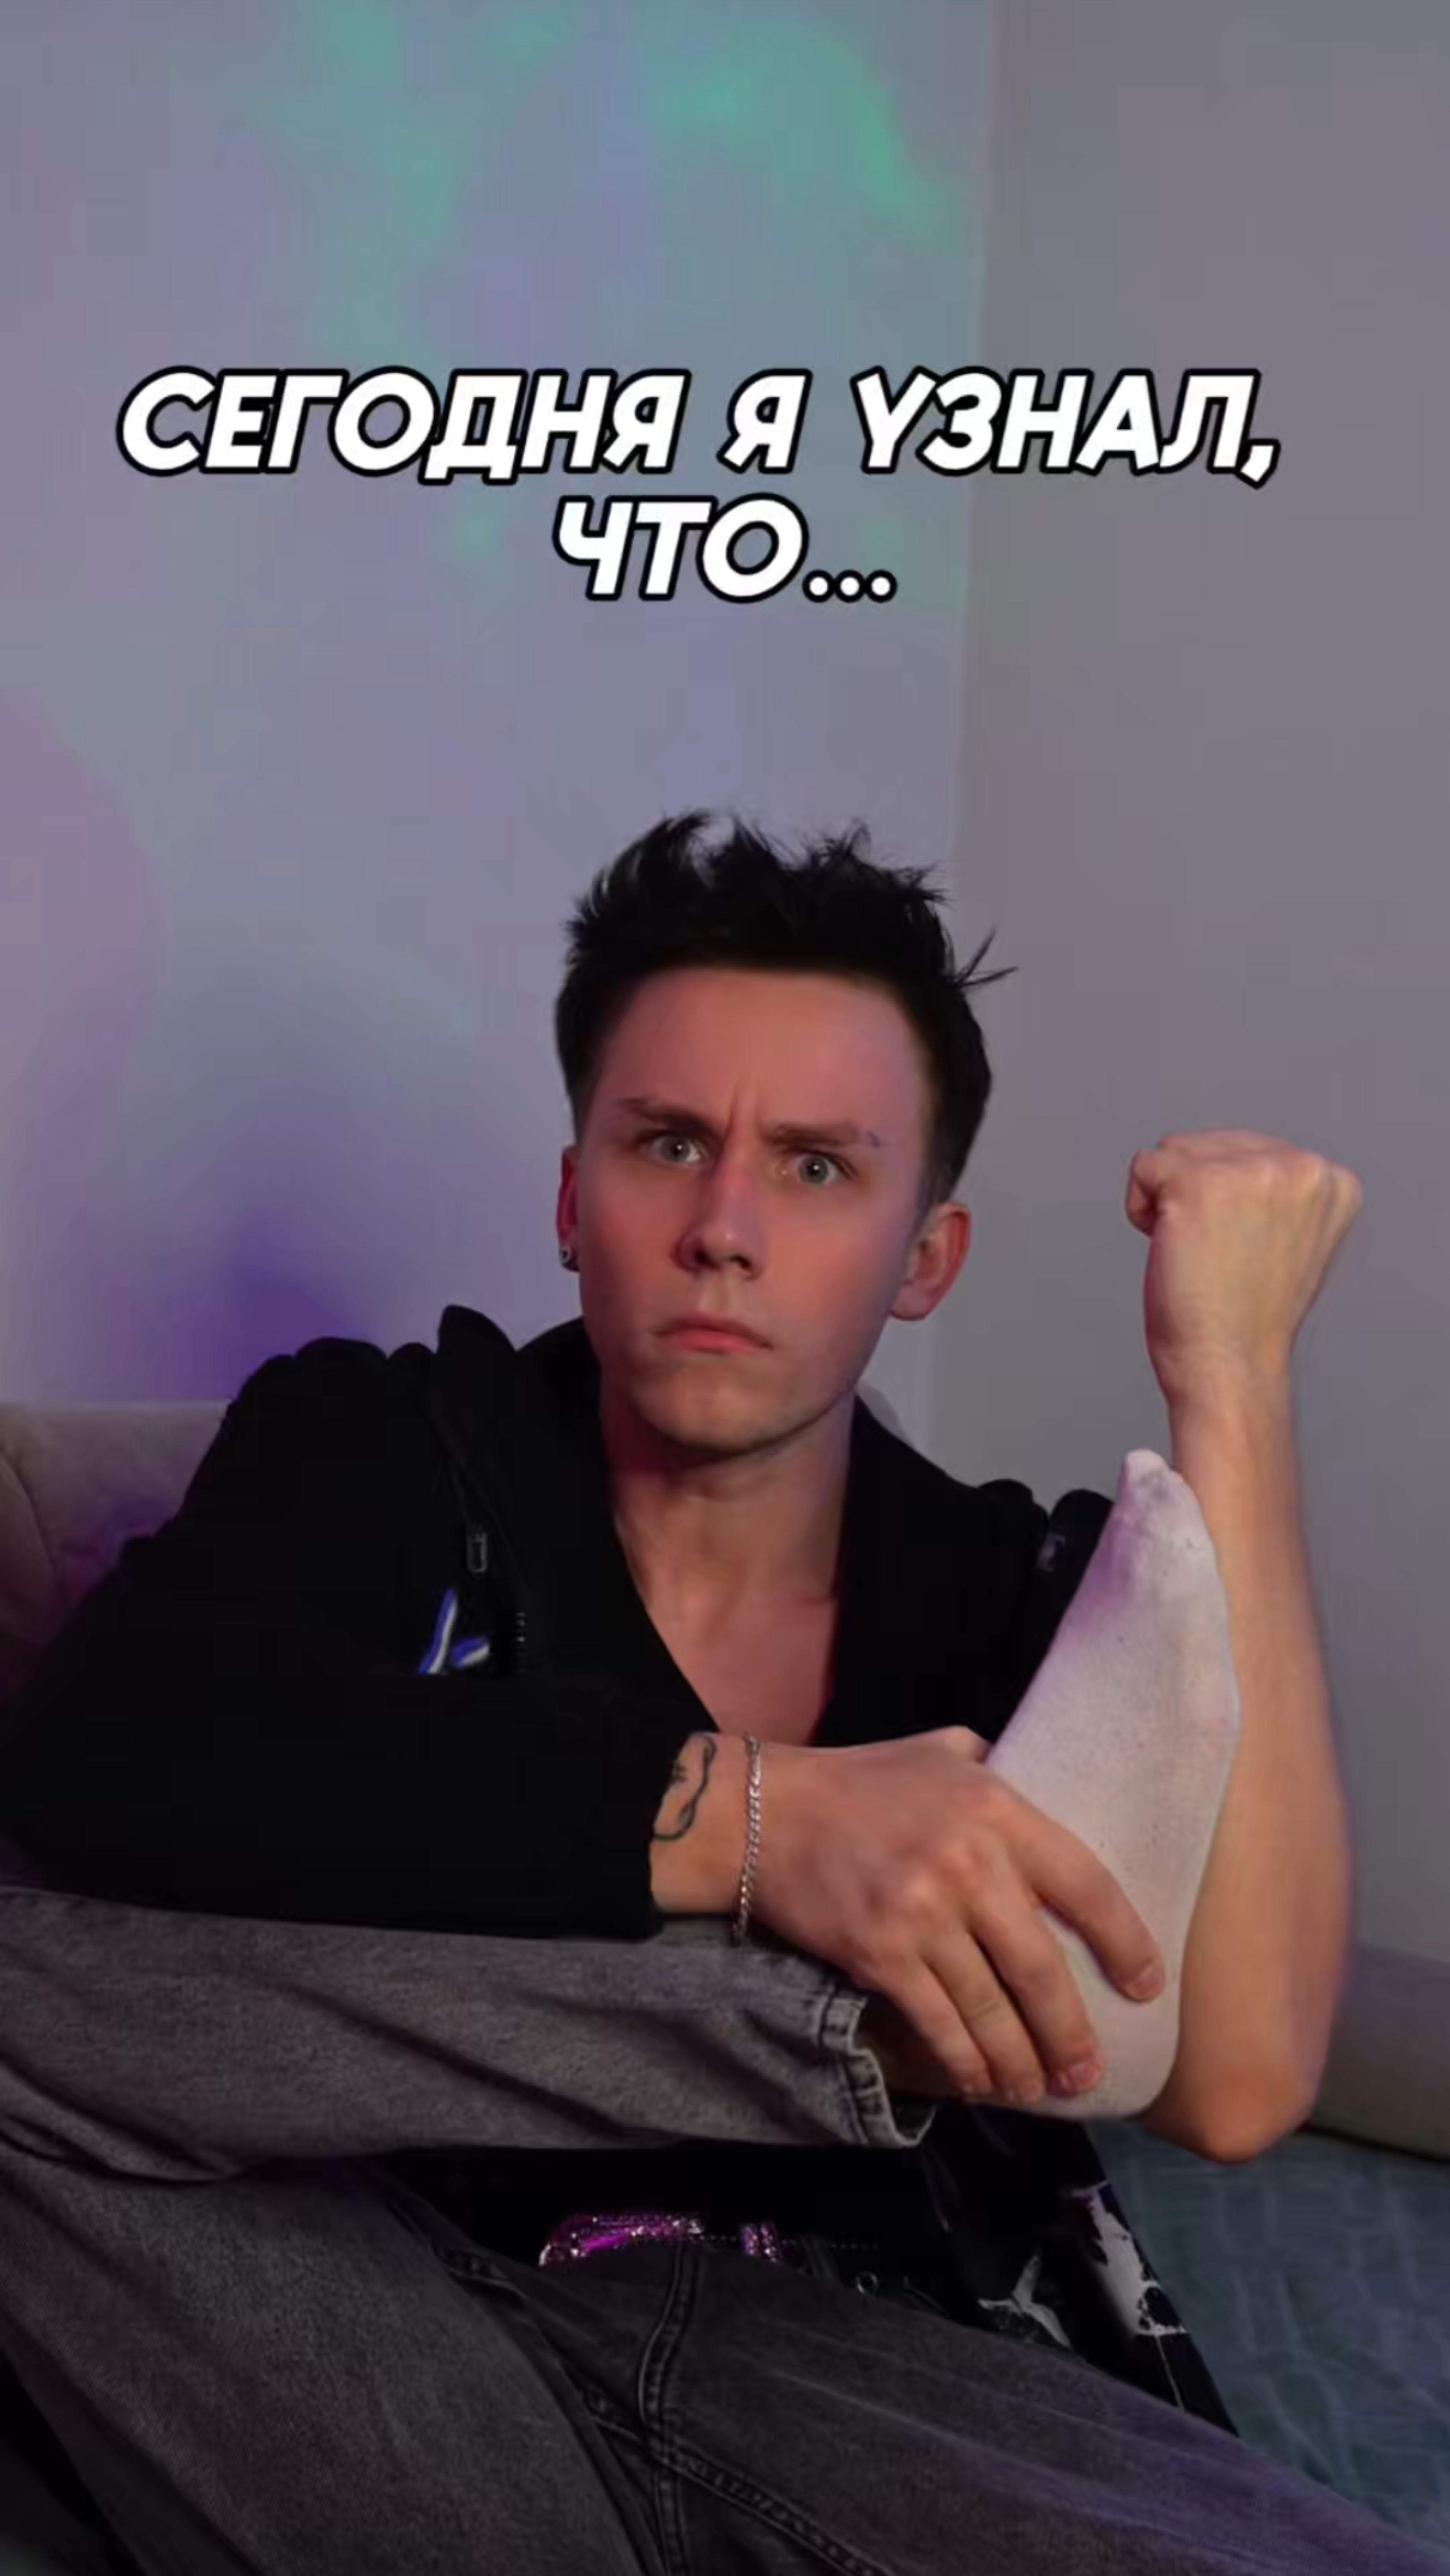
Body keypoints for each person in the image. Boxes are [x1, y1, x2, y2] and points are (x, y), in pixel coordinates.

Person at [0, 814, 1414, 2576]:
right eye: (668, 1143)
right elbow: (109, 1749)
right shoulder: (389, 1451)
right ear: (572, 1199)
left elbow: (1232, 2076)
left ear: (926, 1257)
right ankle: (836, 2037)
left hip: (864, 2366)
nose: (724, 1228)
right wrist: (758, 1826)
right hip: (393, 2345)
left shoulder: (996, 1587)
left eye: (817, 1167)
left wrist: (1234, 1375)